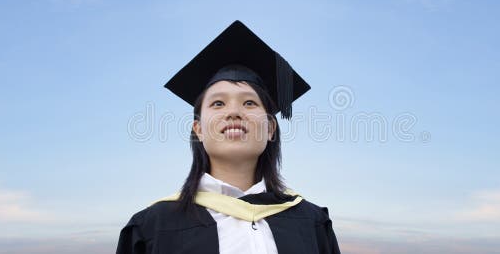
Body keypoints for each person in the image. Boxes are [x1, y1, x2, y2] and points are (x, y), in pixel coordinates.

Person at [116, 20, 340, 254]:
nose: (233, 112)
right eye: (218, 103)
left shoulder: (313, 224)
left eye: (249, 103)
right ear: (198, 129)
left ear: (270, 128)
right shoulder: (151, 229)